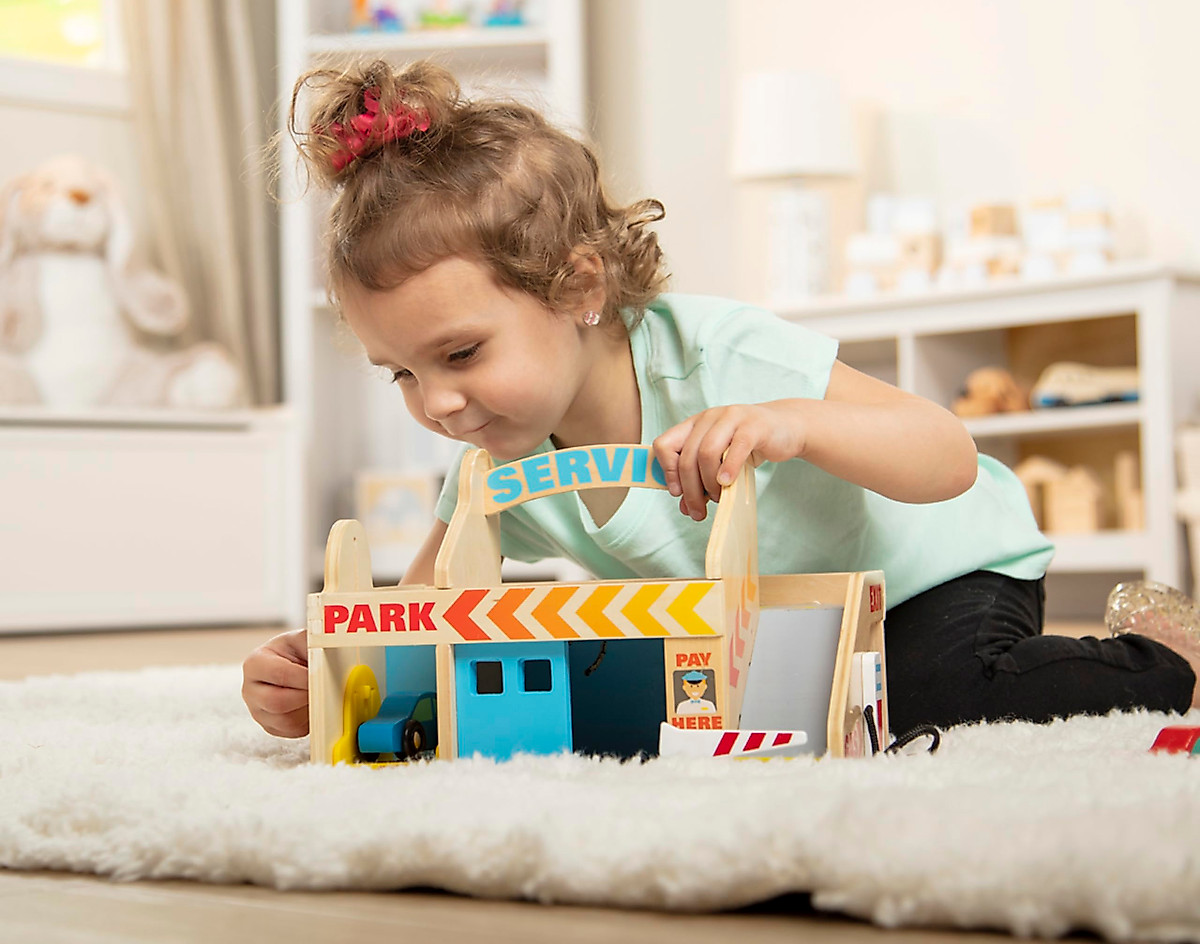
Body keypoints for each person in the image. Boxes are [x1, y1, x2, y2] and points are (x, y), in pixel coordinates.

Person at [242, 58, 1199, 742]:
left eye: (459, 353)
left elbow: (946, 453)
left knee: (923, 700)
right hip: (770, 615)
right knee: (677, 706)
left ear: (578, 289)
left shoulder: (722, 353)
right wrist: (321, 680)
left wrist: (794, 424)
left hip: (932, 573)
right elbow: (422, 621)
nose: (438, 405)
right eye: (401, 373)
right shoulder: (499, 459)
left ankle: (1160, 654)